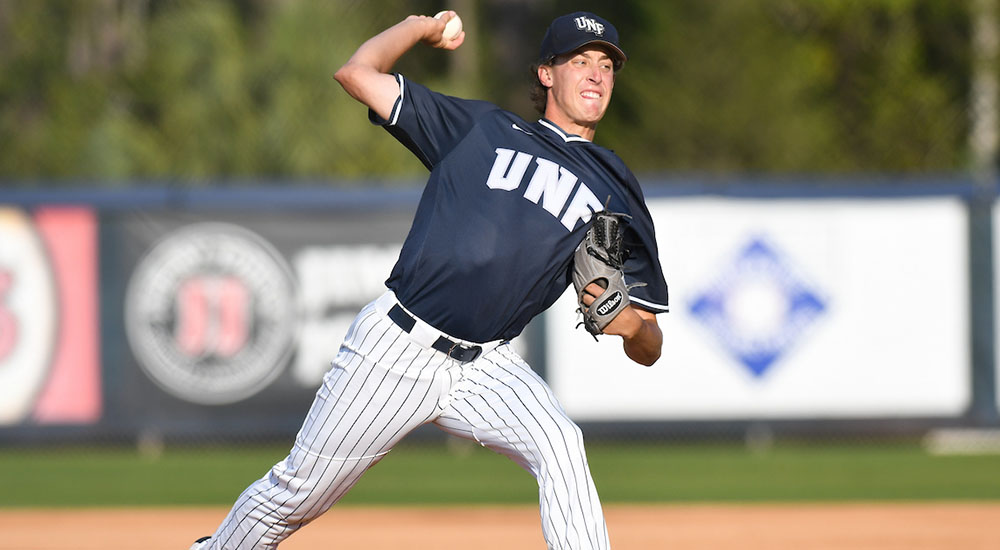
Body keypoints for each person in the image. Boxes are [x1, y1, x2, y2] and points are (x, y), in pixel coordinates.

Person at [191, 10, 668, 550]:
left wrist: (627, 324)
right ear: (545, 74)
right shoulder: (481, 128)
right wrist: (421, 27)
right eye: (579, 61)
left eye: (606, 64)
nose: (596, 74)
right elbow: (356, 73)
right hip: (397, 347)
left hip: (486, 364)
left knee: (559, 442)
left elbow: (647, 341)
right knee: (293, 496)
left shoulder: (616, 188)